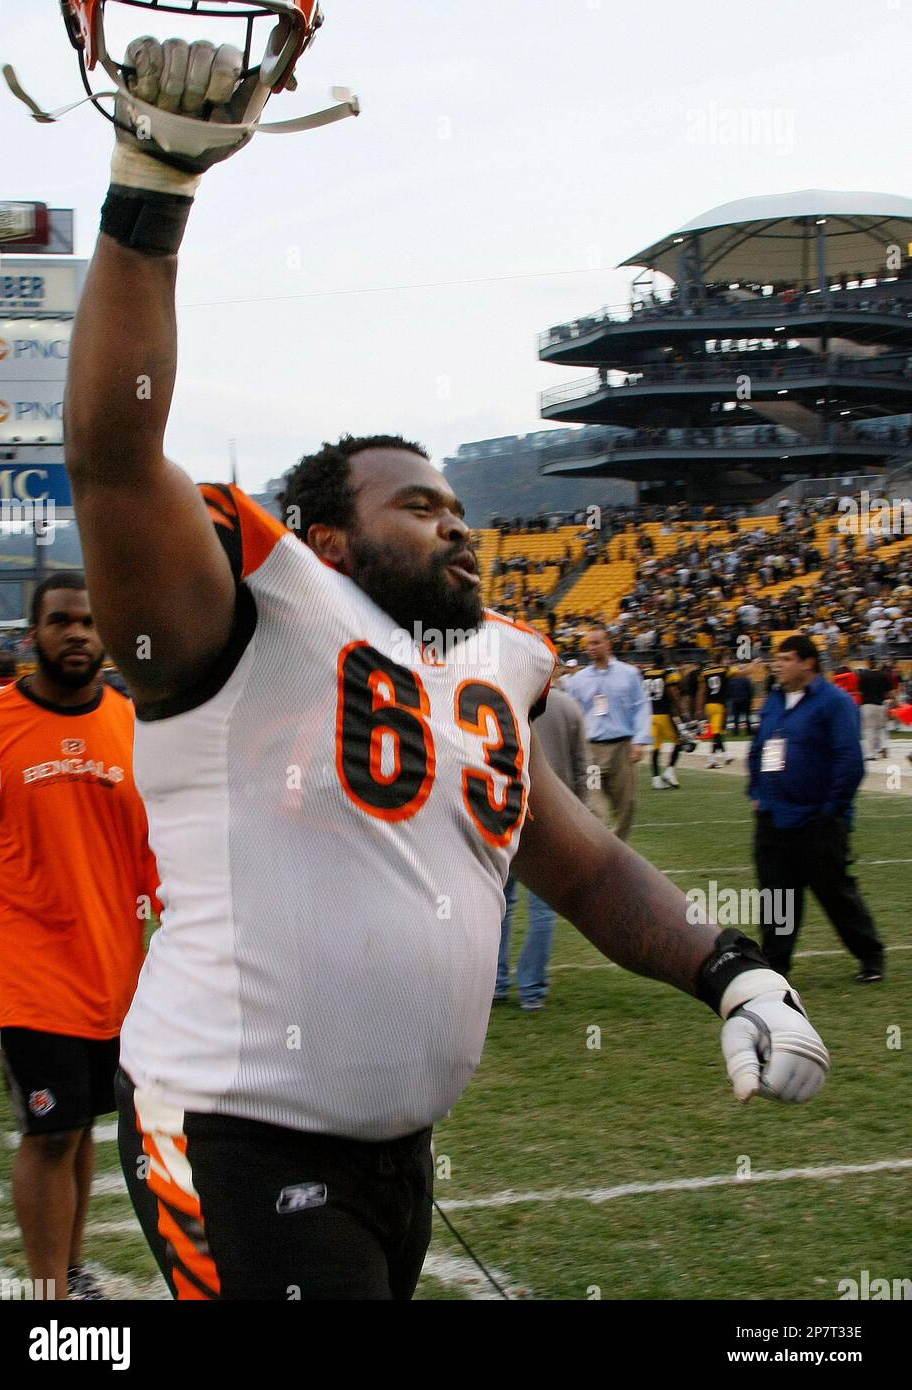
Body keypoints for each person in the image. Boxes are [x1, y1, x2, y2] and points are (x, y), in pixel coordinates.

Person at [63, 36, 829, 1302]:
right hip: (232, 1135)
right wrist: (152, 195)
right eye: (420, 503)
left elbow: (579, 860)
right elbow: (109, 451)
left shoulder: (483, 668)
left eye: (461, 501)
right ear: (325, 538)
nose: (460, 521)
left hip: (396, 1156)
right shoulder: (251, 622)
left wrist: (730, 968)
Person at [0, 573, 160, 1300]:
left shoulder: (129, 722)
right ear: (33, 637)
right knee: (50, 1133)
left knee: (83, 1129)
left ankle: (73, 1269)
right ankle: (50, 1297)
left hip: (114, 973)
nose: (77, 634)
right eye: (60, 622)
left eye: (88, 622)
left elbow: (151, 852)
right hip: (28, 975)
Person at [748, 635, 885, 984]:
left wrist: (832, 810)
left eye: (786, 658)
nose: (777, 664)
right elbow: (759, 748)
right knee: (776, 894)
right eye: (776, 659)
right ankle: (775, 965)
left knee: (835, 892)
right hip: (773, 816)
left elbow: (848, 760)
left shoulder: (833, 702)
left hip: (816, 820)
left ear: (808, 663)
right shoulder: (774, 700)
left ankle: (870, 955)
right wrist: (756, 790)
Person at [495, 664, 586, 1009]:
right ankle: (531, 989)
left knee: (502, 905)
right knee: (543, 910)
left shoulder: (506, 704)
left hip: (510, 816)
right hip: (554, 822)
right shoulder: (569, 707)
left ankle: (498, 983)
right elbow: (580, 768)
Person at [565, 627, 651, 839]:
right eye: (588, 644)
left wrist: (639, 741)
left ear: (608, 645)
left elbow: (641, 706)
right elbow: (574, 713)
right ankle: (597, 850)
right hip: (591, 751)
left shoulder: (629, 674)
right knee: (593, 804)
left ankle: (619, 849)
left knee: (626, 804)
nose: (591, 648)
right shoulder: (579, 680)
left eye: (596, 643)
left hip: (621, 749)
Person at [642, 657, 684, 789]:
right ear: (664, 663)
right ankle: (669, 771)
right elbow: (673, 693)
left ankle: (656, 780)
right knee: (680, 741)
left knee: (655, 748)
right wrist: (680, 711)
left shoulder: (645, 674)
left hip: (650, 715)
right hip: (663, 714)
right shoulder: (667, 674)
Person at [698, 651, 733, 768]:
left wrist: (699, 708)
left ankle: (719, 757)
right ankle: (718, 757)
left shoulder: (705, 672)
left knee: (716, 733)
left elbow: (702, 691)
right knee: (717, 733)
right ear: (721, 659)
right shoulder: (724, 670)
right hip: (719, 705)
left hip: (709, 705)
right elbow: (740, 673)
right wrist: (753, 665)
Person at [857, 658, 891, 761]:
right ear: (876, 664)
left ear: (868, 664)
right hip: (880, 704)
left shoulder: (864, 676)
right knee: (880, 728)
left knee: (869, 730)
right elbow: (888, 691)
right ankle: (881, 748)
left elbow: (860, 691)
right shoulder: (882, 675)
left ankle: (871, 754)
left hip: (867, 705)